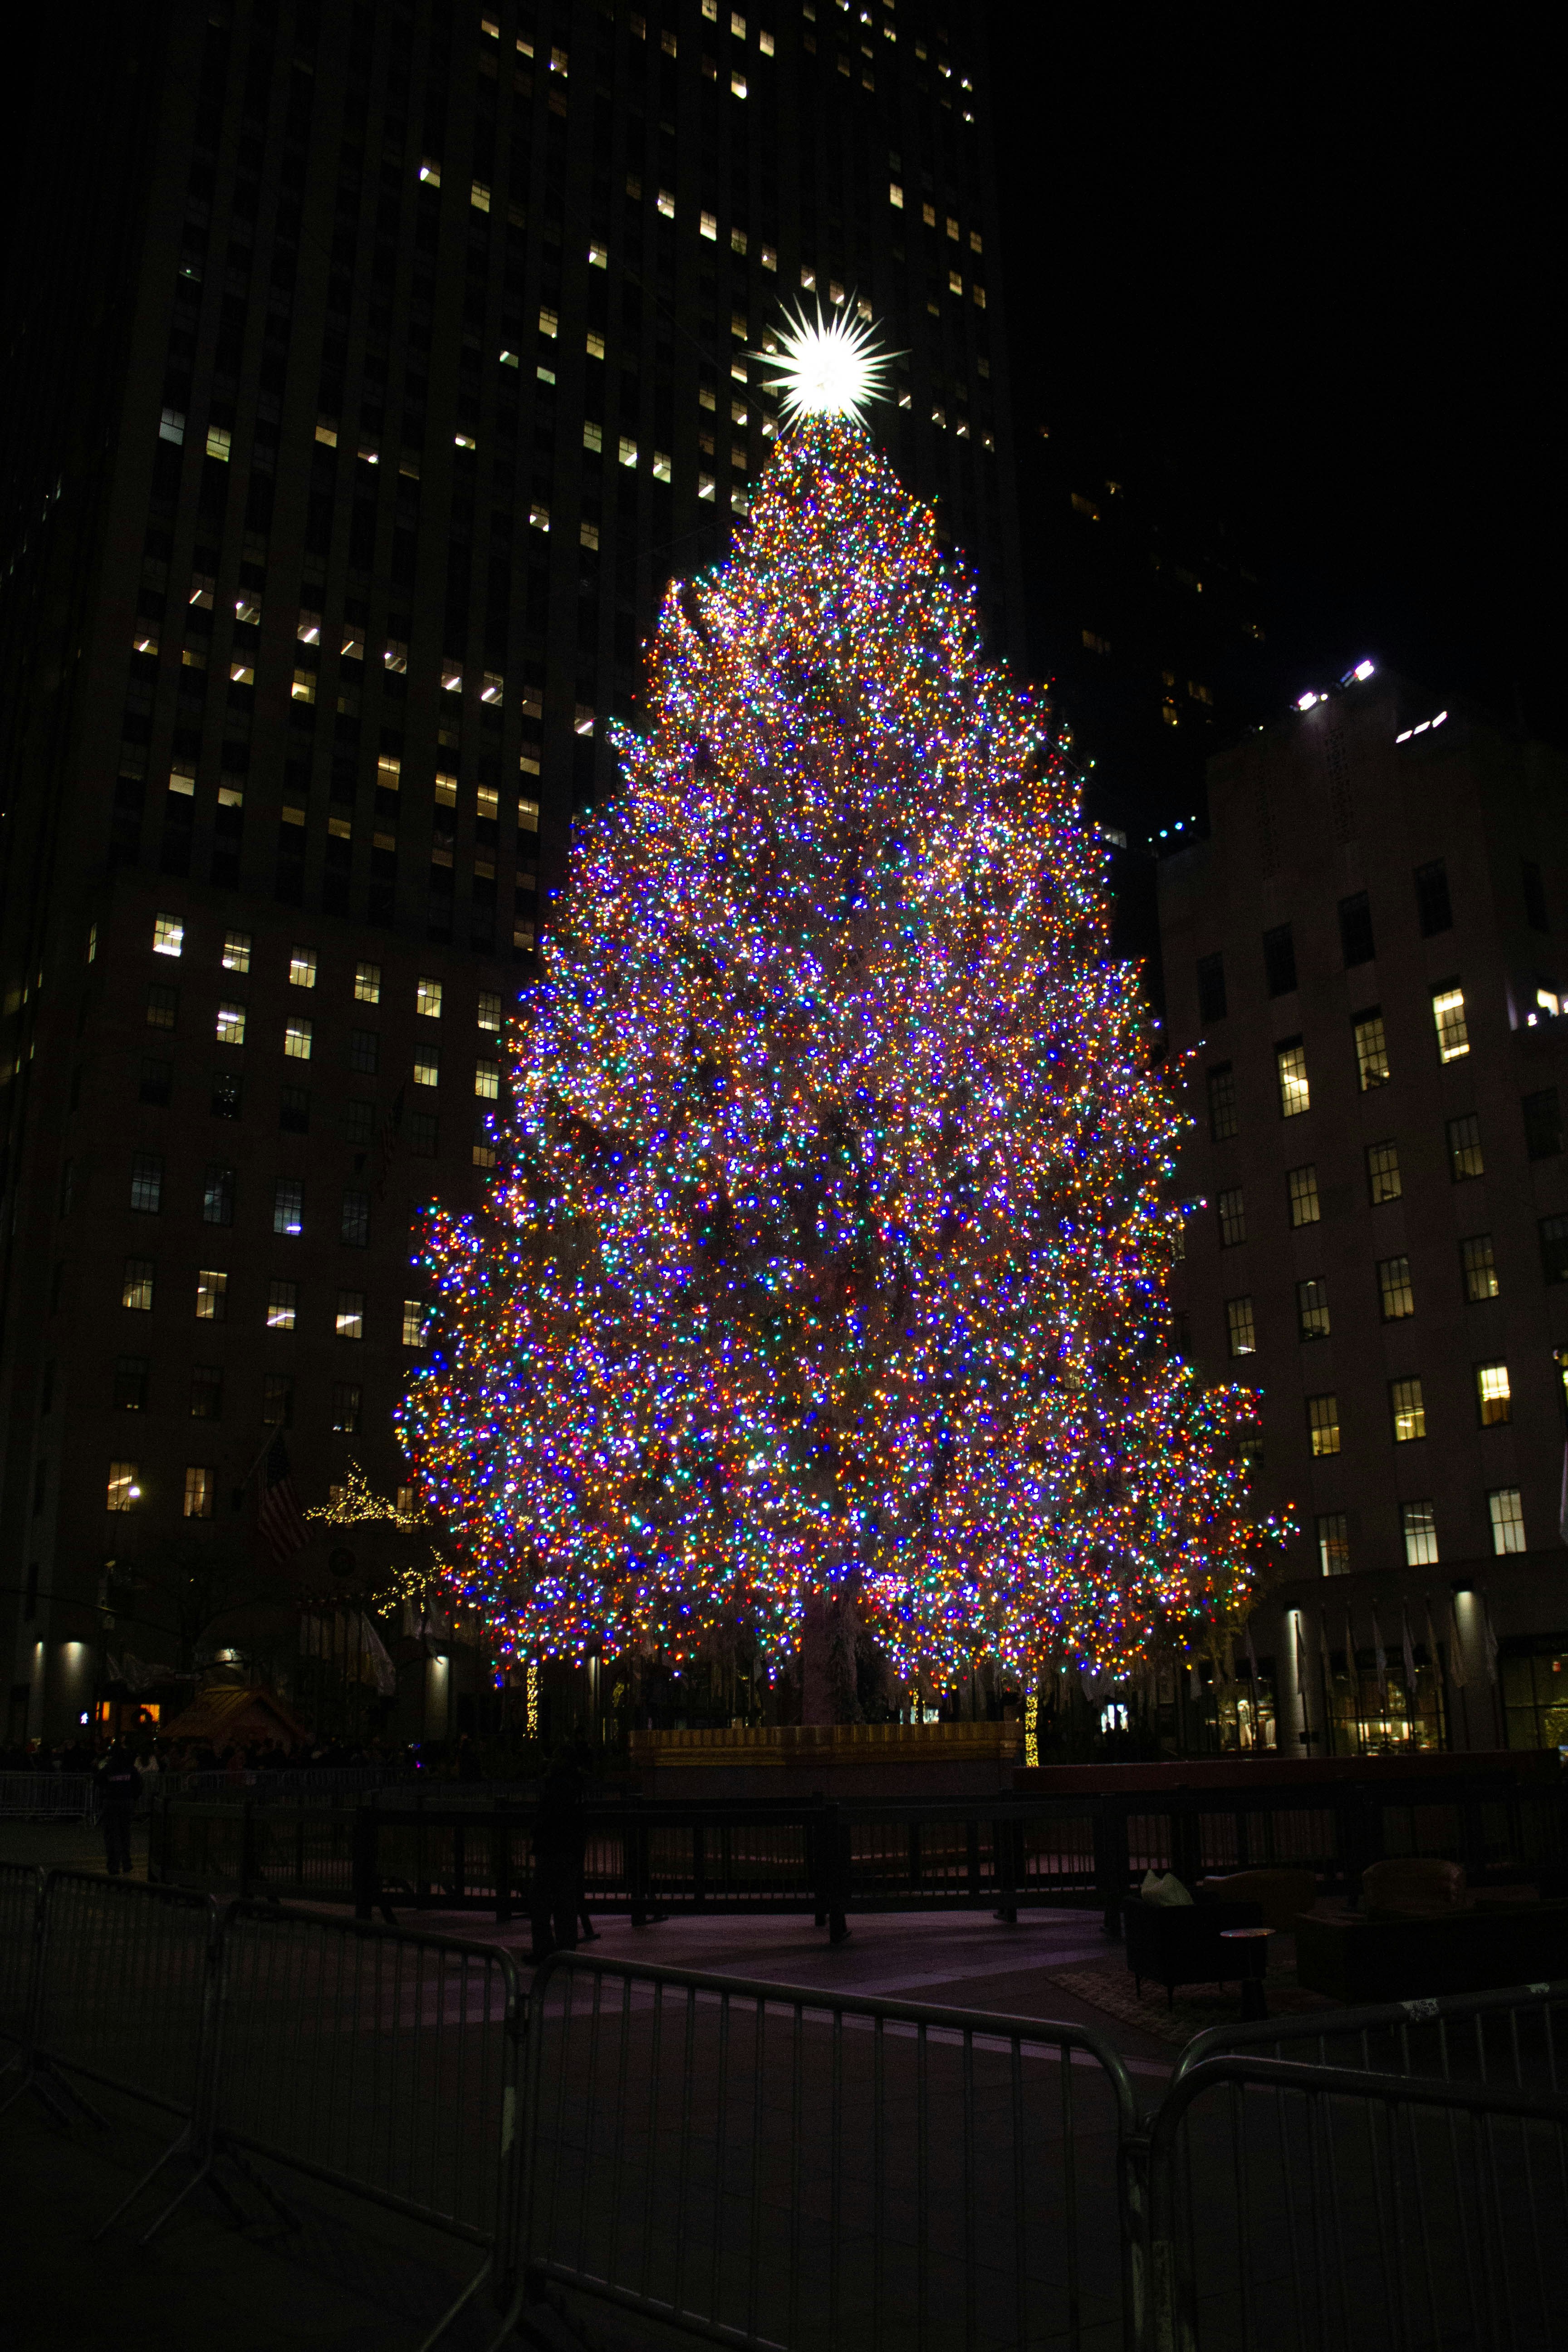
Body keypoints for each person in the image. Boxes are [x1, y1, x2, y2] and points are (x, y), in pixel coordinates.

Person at [528, 1750, 585, 1964]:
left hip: (552, 1852)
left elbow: (546, 1821)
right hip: (567, 1852)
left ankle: (544, 1949)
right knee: (565, 1902)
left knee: (541, 1901)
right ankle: (565, 1948)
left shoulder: (557, 1790)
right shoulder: (574, 1789)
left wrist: (537, 1830)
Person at [94, 1738, 139, 1877]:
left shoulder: (109, 1768)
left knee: (112, 1835)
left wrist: (106, 1791)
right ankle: (126, 1863)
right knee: (125, 1833)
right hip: (126, 1802)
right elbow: (138, 1784)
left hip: (111, 1803)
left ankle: (114, 1865)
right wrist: (133, 1797)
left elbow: (99, 1780)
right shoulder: (130, 1769)